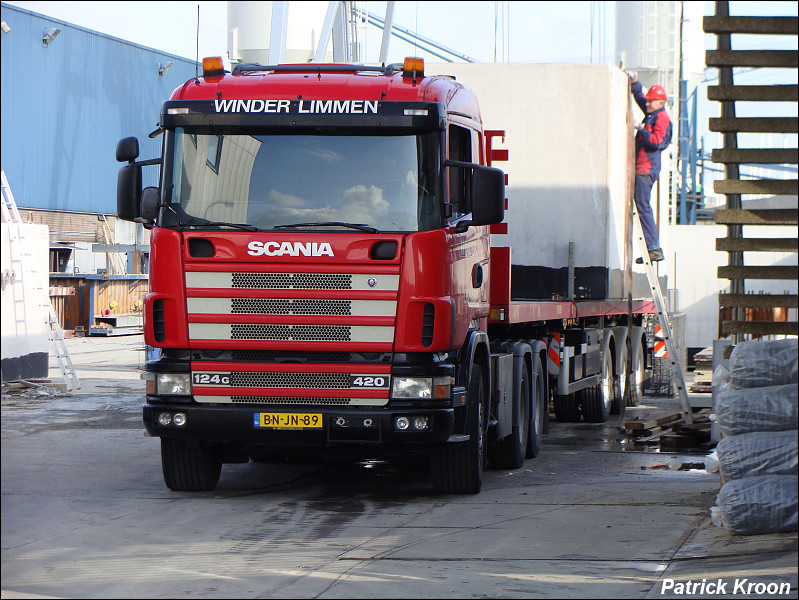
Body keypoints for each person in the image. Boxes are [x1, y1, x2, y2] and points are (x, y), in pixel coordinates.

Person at [626, 71, 672, 263]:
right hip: (642, 167)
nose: (648, 103)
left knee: (642, 205)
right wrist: (635, 82)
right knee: (641, 204)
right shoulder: (653, 115)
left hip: (646, 169)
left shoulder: (662, 119)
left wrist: (641, 129)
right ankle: (651, 247)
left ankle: (653, 248)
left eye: (651, 101)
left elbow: (657, 141)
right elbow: (640, 98)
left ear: (660, 103)